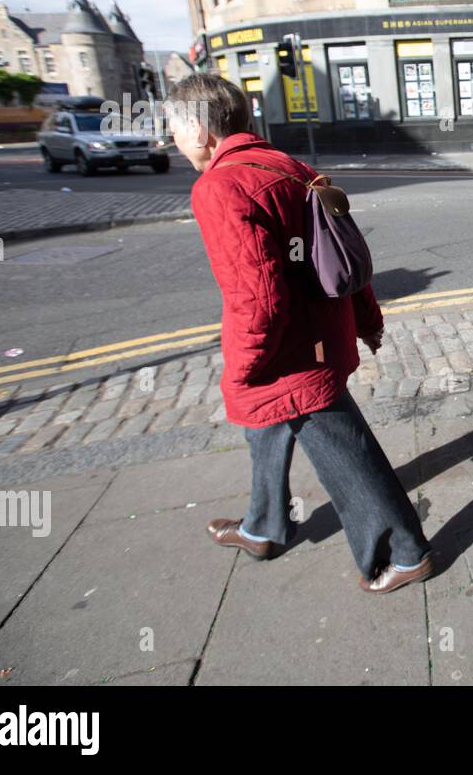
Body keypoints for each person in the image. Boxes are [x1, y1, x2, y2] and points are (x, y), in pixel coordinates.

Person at [164, 74, 433, 595]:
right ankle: (263, 527)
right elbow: (347, 259)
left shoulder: (219, 187)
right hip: (318, 337)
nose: (172, 140)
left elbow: (256, 299)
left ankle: (405, 553)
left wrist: (243, 367)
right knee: (264, 426)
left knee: (341, 448)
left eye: (173, 128)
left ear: (198, 130)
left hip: (290, 354)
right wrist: (366, 318)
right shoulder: (291, 167)